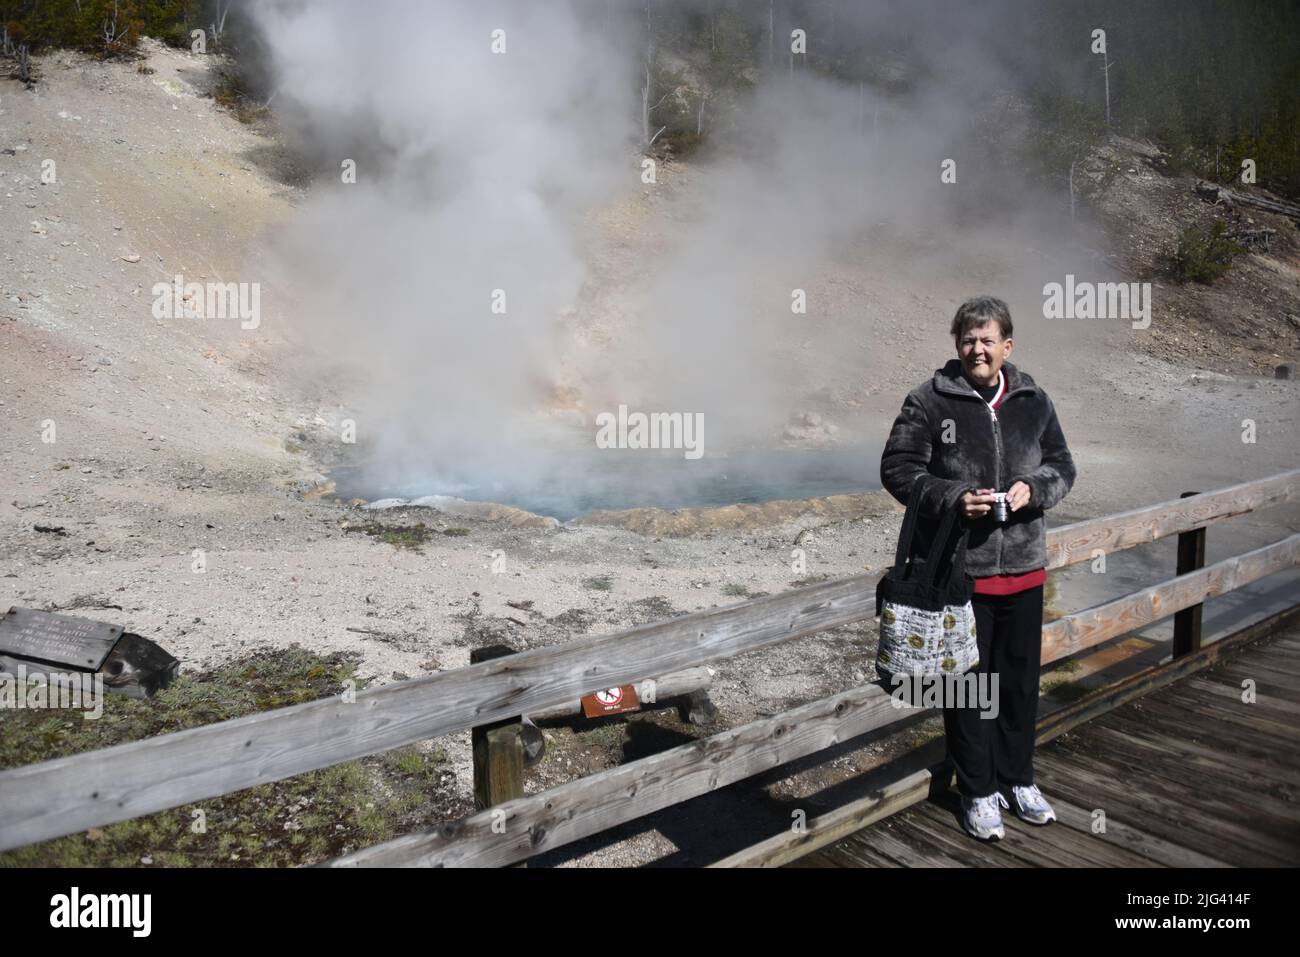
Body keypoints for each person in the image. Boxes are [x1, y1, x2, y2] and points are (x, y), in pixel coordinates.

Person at [879, 295, 1076, 842]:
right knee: (968, 689)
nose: (977, 349)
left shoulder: (1034, 400)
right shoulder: (928, 401)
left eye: (988, 339)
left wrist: (1034, 489)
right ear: (957, 346)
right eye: (968, 339)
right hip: (959, 578)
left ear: (1007, 346)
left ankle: (1018, 777)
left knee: (1017, 685)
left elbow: (1063, 466)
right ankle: (978, 789)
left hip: (1024, 570)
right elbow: (898, 468)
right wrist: (952, 497)